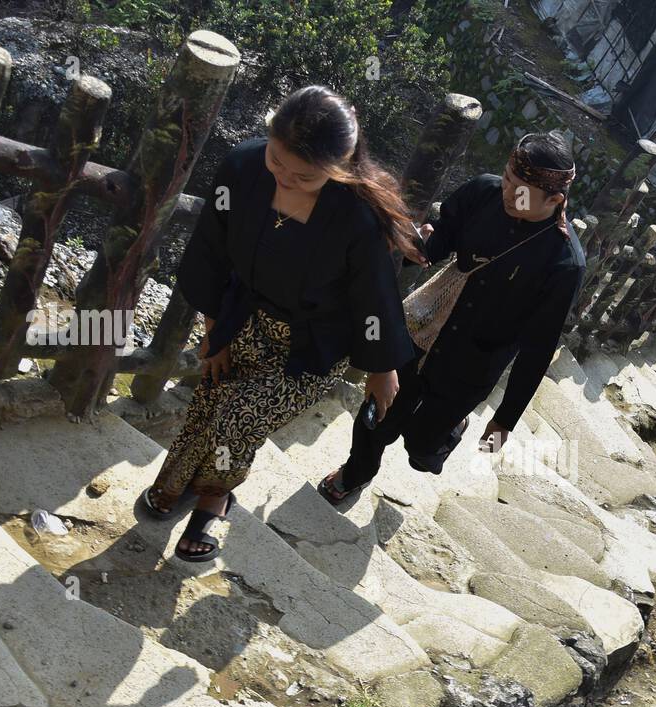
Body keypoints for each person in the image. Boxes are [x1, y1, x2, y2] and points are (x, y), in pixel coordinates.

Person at [138, 85, 420, 561]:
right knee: (210, 403)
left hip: (314, 344)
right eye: (277, 162)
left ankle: (213, 498)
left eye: (304, 176)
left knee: (235, 422)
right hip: (241, 317)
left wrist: (382, 367)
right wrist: (214, 330)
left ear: (340, 165)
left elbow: (372, 293)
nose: (285, 179)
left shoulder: (357, 217)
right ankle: (178, 485)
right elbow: (210, 248)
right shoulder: (242, 168)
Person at [317, 130, 586, 506]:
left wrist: (504, 421)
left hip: (473, 362)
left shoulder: (563, 263)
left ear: (555, 199)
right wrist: (415, 243)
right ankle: (355, 472)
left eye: (521, 191)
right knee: (379, 411)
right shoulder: (482, 193)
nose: (508, 193)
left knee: (421, 446)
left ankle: (444, 436)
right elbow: (436, 247)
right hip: (422, 324)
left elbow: (537, 350)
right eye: (508, 178)